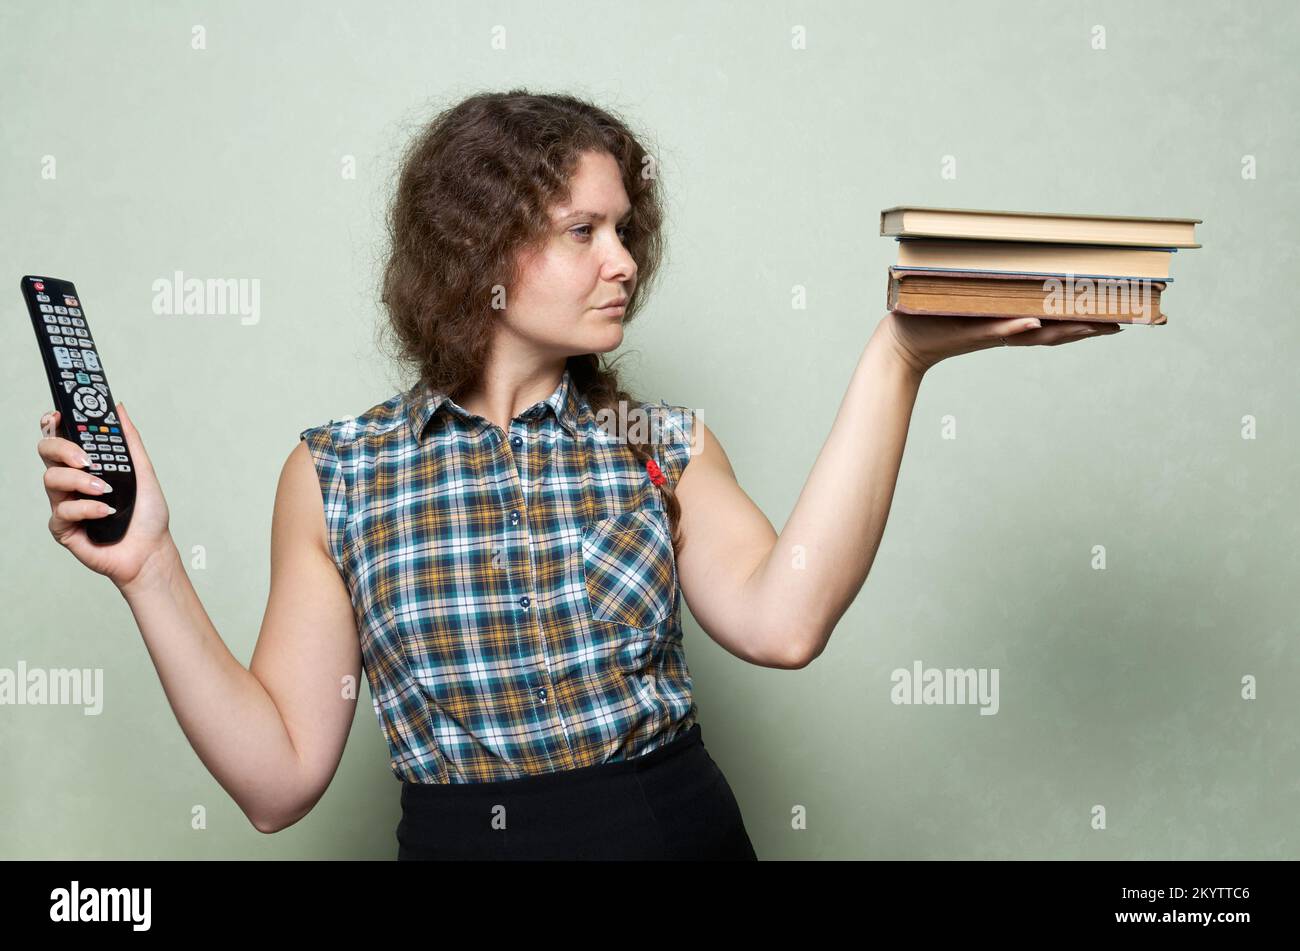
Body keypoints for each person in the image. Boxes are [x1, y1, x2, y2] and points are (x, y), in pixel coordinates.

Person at [33, 90, 1121, 861]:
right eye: (583, 231)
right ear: (478, 254)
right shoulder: (338, 476)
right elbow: (276, 786)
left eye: (626, 228)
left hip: (675, 834)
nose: (625, 260)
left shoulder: (661, 440)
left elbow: (785, 624)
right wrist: (151, 569)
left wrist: (897, 358)